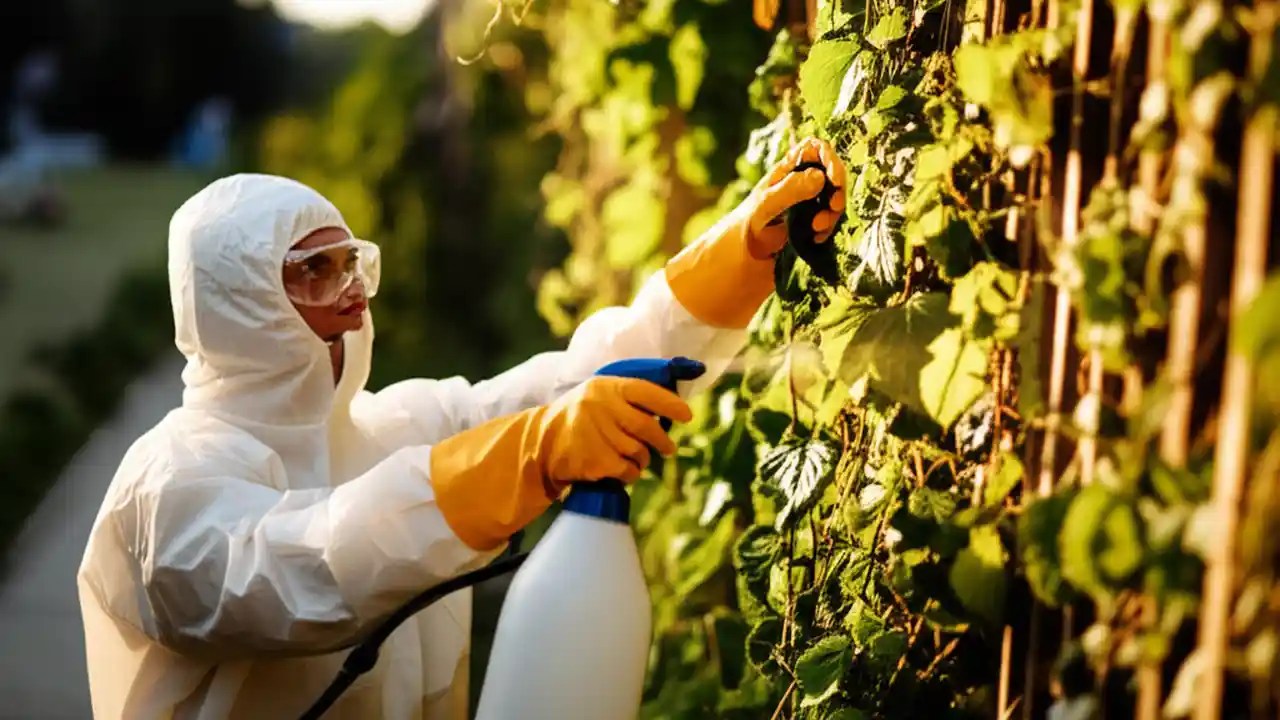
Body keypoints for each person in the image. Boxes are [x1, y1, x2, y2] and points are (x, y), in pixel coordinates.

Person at [76, 138, 847, 719]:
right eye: (313, 273)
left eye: (351, 263)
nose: (351, 293)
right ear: (236, 304)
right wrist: (531, 455)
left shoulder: (391, 429)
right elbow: (301, 569)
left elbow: (574, 384)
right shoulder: (169, 488)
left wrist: (745, 252)